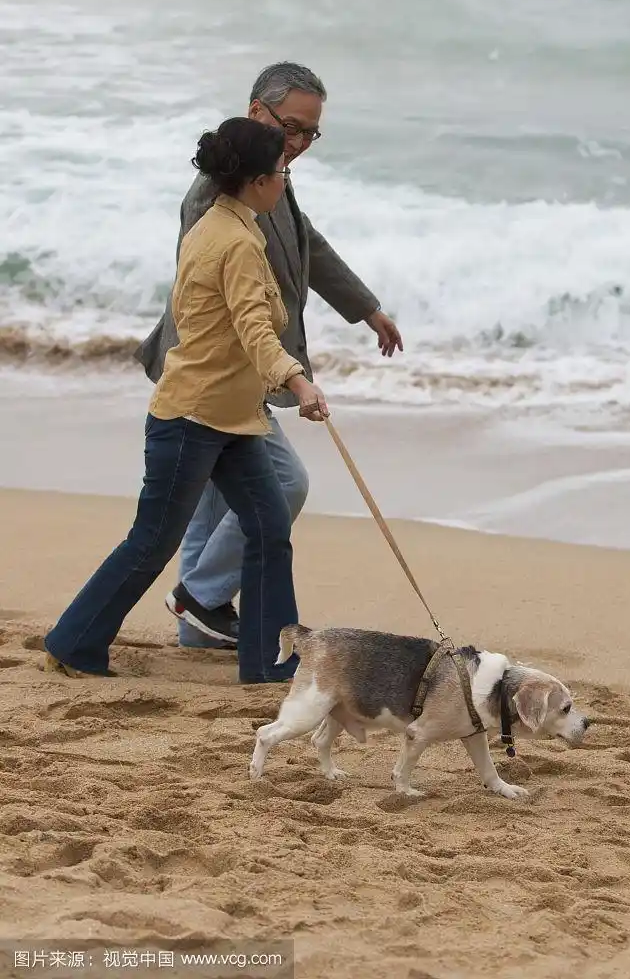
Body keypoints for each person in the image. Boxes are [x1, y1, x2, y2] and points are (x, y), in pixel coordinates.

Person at [45, 118, 329, 684]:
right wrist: (298, 381)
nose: (285, 178)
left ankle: (270, 664)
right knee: (153, 540)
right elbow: (254, 329)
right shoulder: (233, 241)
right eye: (278, 171)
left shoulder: (232, 225)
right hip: (191, 419)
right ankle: (74, 641)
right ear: (254, 181)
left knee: (269, 529)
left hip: (234, 420)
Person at [135, 62, 402, 650]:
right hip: (213, 375)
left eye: (311, 133)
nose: (301, 144)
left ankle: (199, 626)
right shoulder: (217, 191)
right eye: (293, 128)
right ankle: (199, 596)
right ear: (258, 111)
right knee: (284, 485)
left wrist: (365, 308)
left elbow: (308, 241)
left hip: (238, 375)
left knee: (211, 505)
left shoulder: (269, 170)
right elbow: (204, 296)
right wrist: (283, 373)